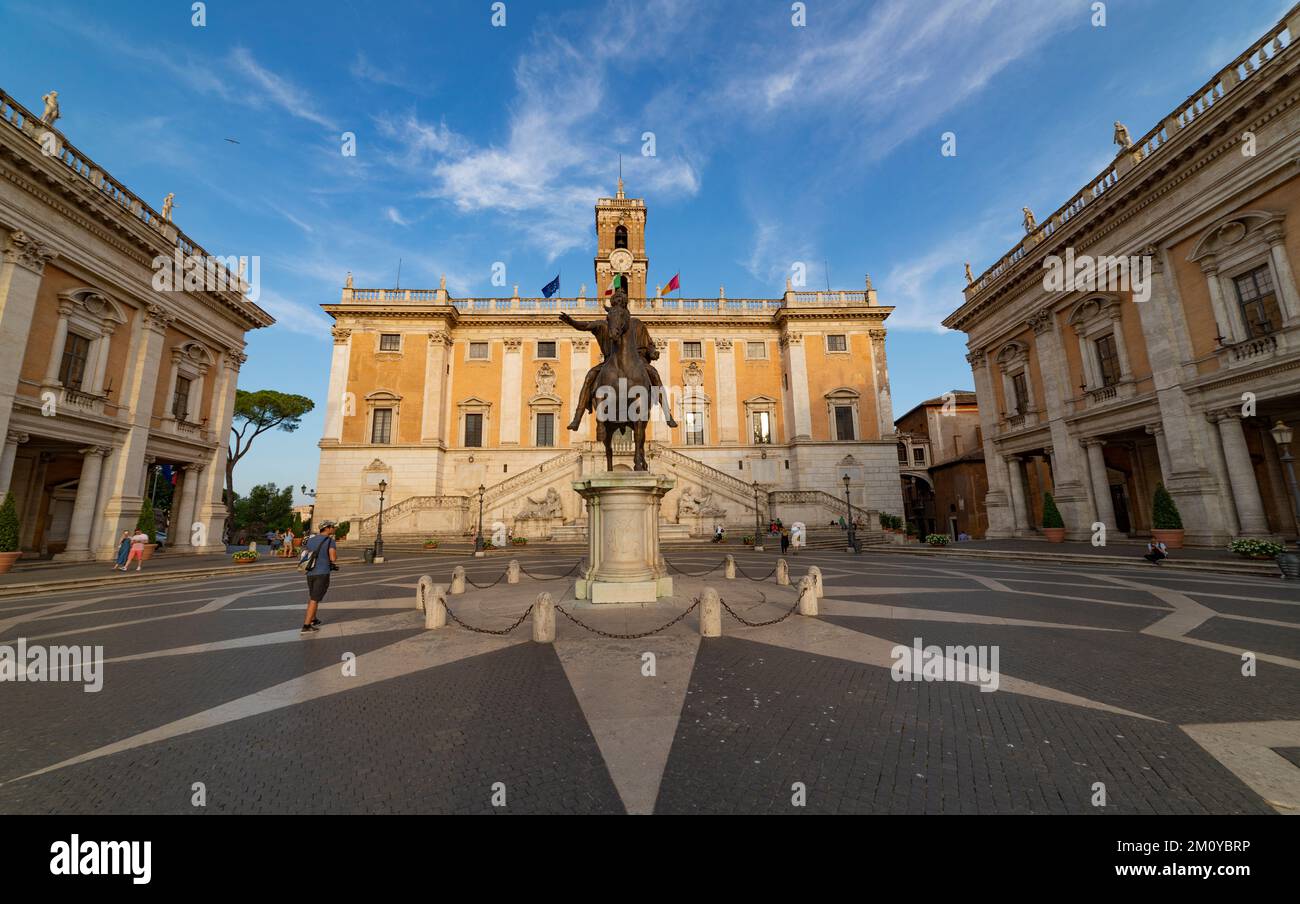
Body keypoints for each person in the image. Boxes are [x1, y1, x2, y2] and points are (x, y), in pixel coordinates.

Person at [301, 521, 338, 634]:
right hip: (322, 572)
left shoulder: (310, 540)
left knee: (313, 596)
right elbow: (333, 558)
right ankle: (306, 626)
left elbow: (304, 554)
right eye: (333, 527)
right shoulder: (329, 541)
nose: (334, 529)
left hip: (310, 572)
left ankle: (313, 619)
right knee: (315, 599)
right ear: (327, 528)